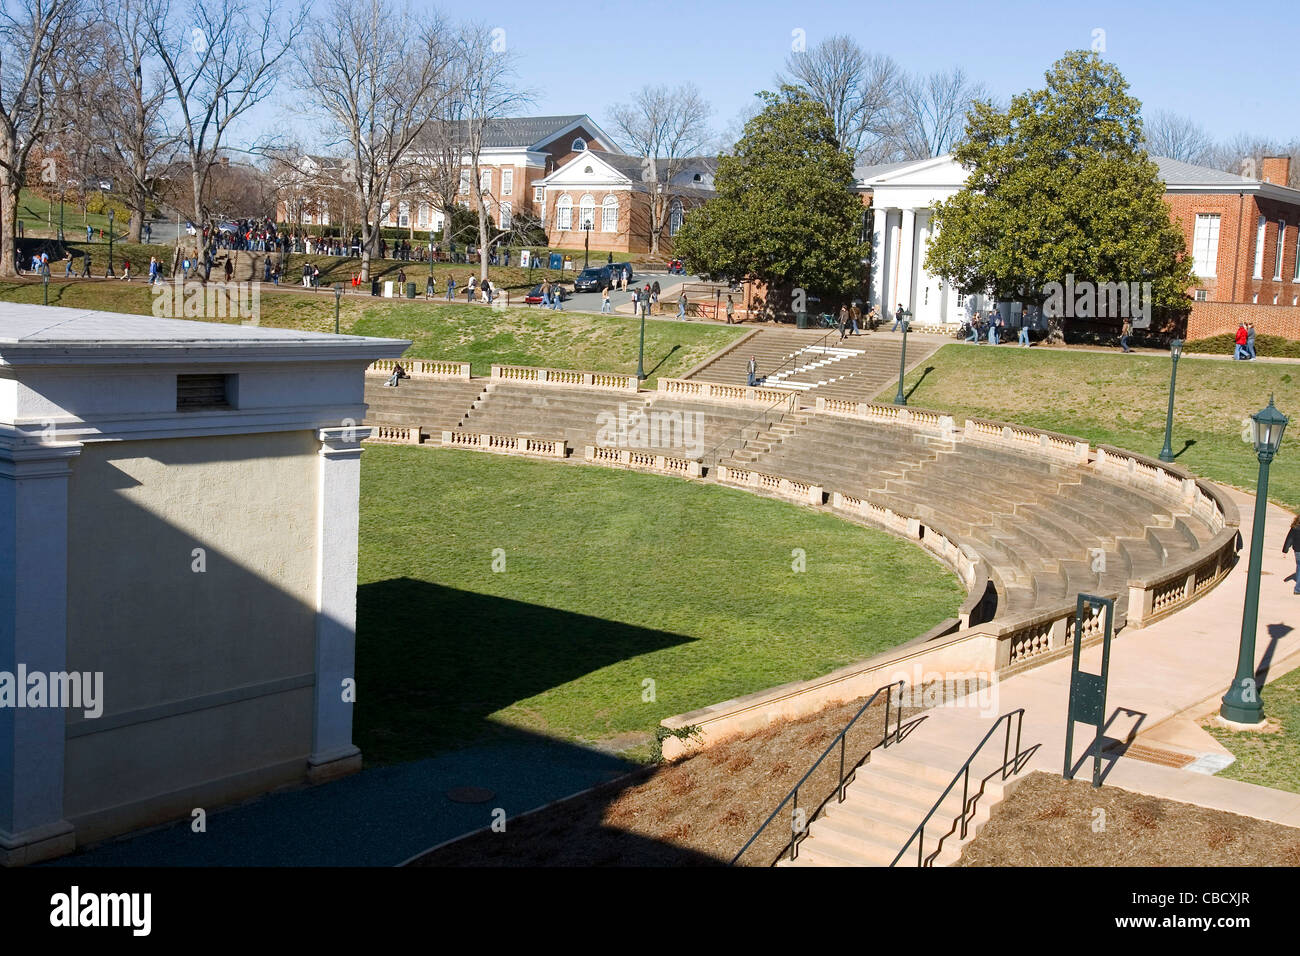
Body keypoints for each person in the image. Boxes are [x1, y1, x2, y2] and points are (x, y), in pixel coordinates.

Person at [1285, 514, 1300, 594]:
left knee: (1299, 567)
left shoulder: (1295, 527)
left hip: (1297, 551)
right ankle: (1298, 589)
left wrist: (1285, 549)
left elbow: (1289, 539)